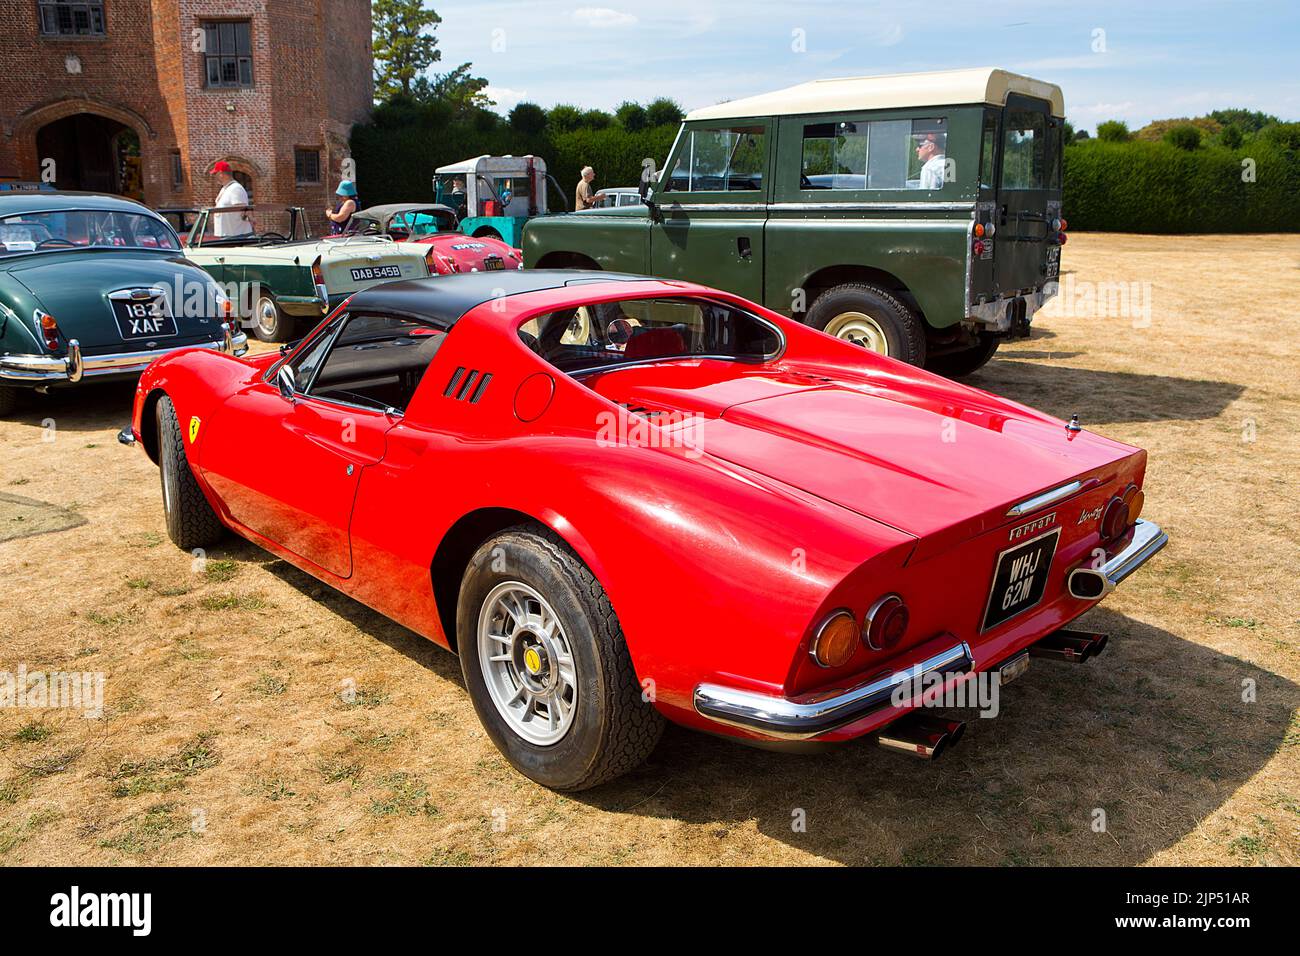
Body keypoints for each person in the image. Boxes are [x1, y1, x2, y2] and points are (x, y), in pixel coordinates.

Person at [210, 161, 252, 238]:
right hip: (228, 235)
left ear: (221, 174)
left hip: (237, 236)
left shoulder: (236, 188)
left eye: (215, 174)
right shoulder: (225, 188)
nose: (214, 177)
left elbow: (244, 211)